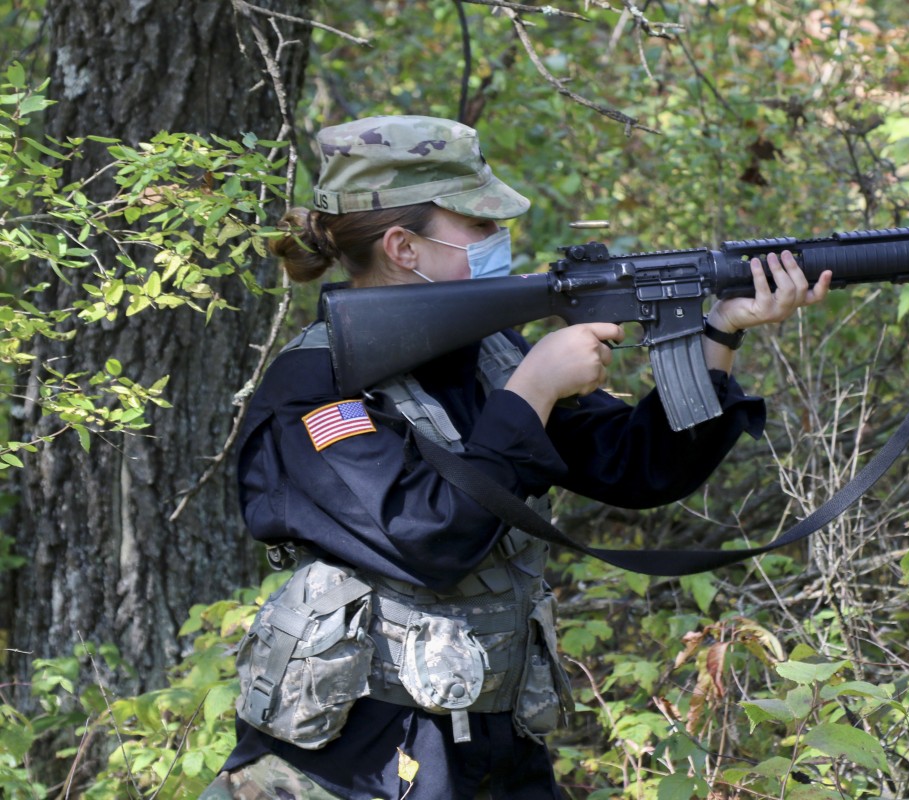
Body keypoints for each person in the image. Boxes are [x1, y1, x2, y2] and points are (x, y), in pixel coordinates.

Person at [200, 115, 832, 800]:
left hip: (492, 754)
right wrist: (533, 388)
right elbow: (428, 538)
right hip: (355, 765)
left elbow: (640, 466)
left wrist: (718, 332)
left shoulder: (492, 351)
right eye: (477, 225)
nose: (500, 241)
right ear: (402, 246)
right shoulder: (313, 387)